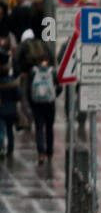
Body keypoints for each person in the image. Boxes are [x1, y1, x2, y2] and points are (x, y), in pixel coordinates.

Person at [25, 38, 58, 166]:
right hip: (50, 103)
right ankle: (49, 151)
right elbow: (59, 87)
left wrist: (31, 102)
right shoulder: (52, 71)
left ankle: (41, 153)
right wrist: (54, 95)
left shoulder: (33, 71)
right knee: (49, 127)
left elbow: (29, 89)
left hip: (37, 104)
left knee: (39, 127)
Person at [0, 62, 19, 156]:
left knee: (1, 129)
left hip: (1, 110)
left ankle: (1, 147)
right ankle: (10, 150)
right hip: (11, 110)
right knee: (10, 131)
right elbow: (18, 96)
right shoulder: (13, 82)